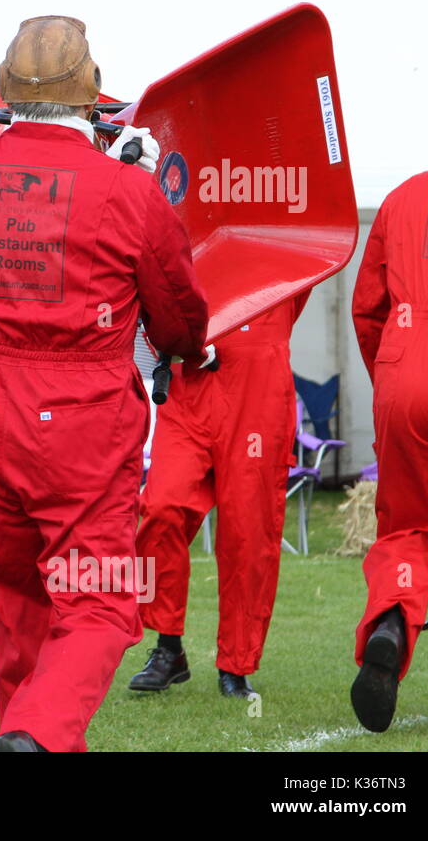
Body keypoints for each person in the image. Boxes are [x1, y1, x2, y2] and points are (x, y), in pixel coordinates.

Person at [0, 16, 208, 752]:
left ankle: (30, 727)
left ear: (2, 91)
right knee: (101, 601)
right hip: (80, 412)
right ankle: (35, 731)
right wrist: (136, 184)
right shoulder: (126, 190)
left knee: (12, 593)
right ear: (94, 92)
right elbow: (178, 310)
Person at [130, 295, 307, 699]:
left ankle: (236, 666)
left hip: (257, 399)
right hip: (189, 388)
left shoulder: (283, 248)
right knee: (161, 508)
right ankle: (168, 647)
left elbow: (322, 249)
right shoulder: (185, 238)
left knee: (249, 534)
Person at [349, 162, 428, 733]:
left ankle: (392, 616)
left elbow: (368, 311)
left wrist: (393, 381)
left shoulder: (404, 195)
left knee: (410, 530)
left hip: (407, 370)